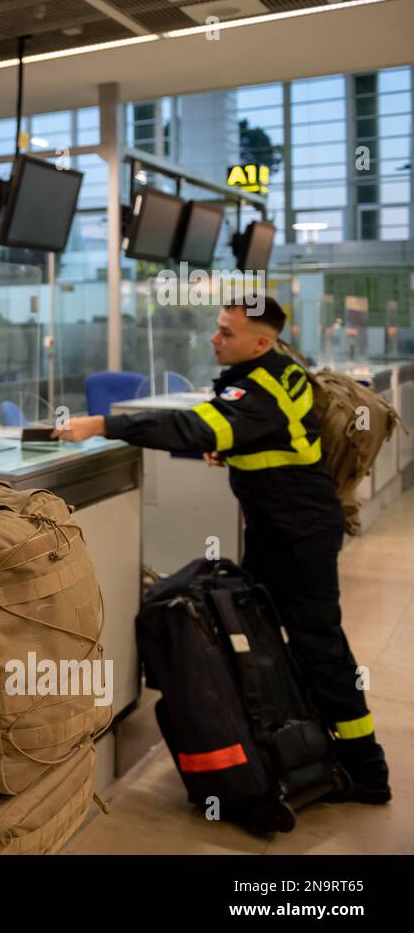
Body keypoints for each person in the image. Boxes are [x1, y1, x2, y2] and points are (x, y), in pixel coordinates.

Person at [53, 296, 389, 804]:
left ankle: (366, 768)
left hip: (297, 535)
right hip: (282, 529)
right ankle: (298, 738)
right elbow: (251, 431)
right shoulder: (277, 370)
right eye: (217, 329)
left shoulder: (260, 384)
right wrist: (235, 445)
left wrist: (104, 425)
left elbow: (200, 426)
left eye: (227, 333)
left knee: (318, 642)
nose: (215, 338)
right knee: (274, 634)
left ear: (260, 341)